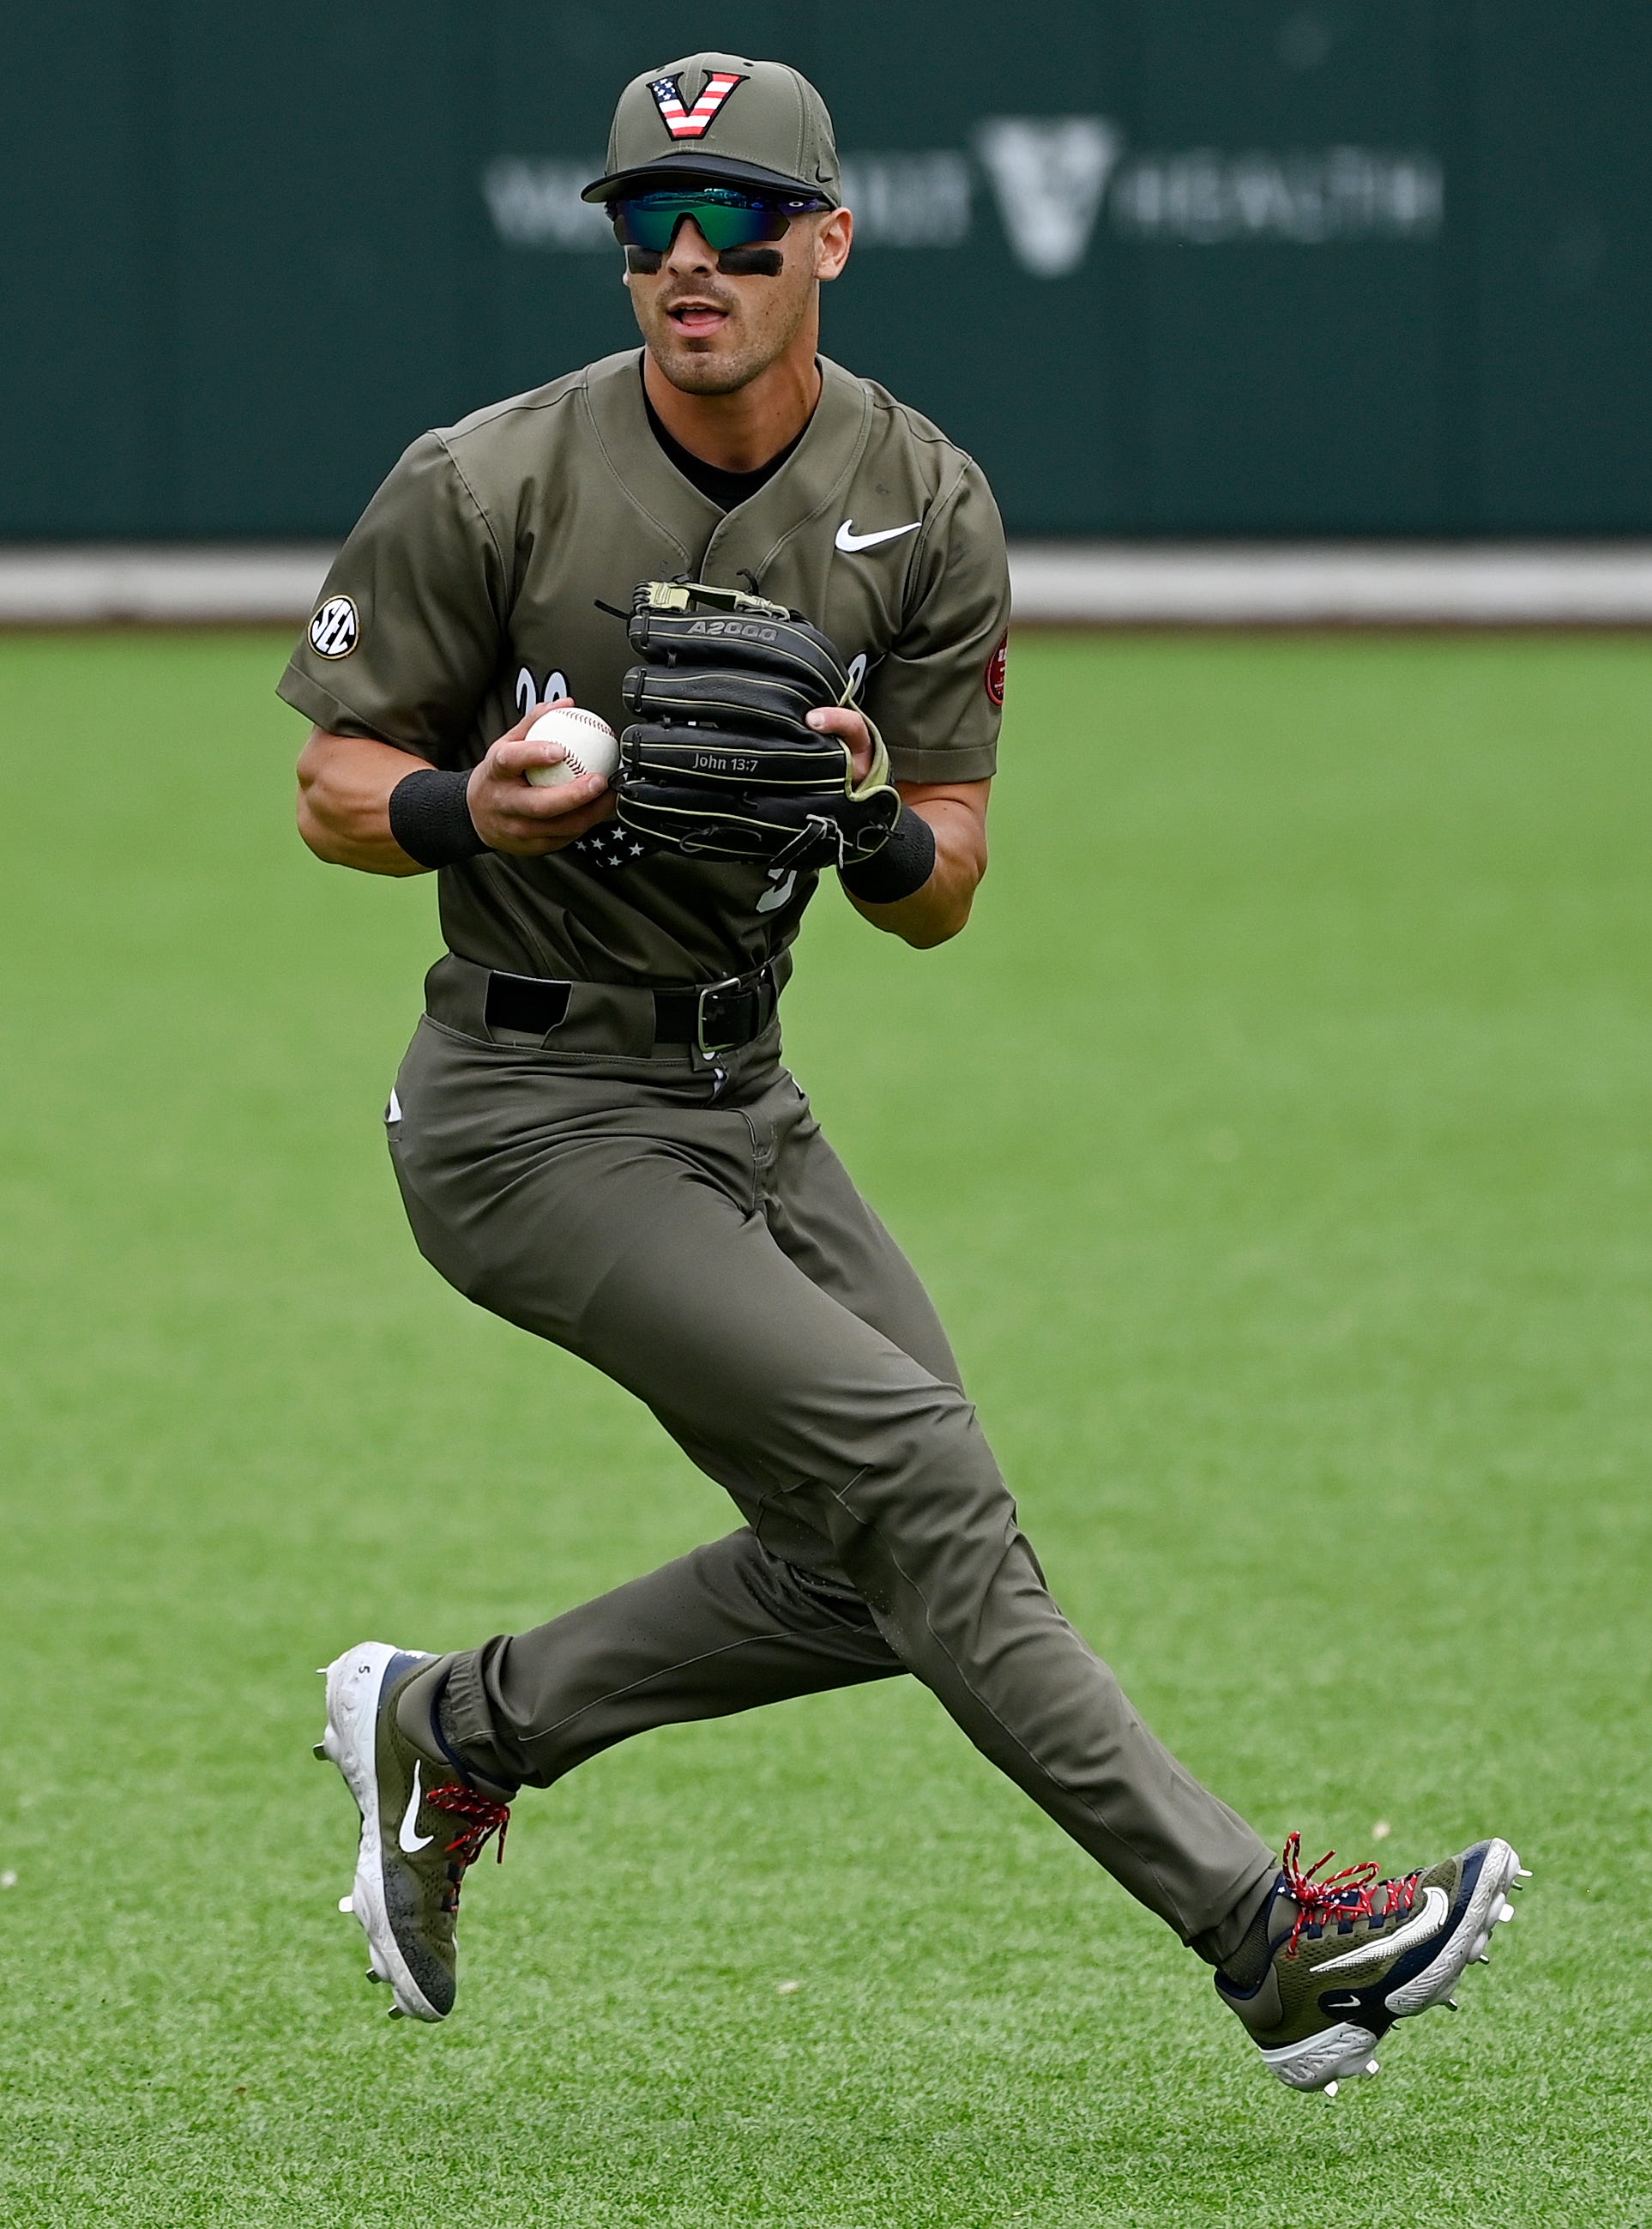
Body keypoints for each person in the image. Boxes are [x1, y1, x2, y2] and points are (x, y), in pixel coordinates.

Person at [285, 52, 1523, 2094]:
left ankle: (458, 1727)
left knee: (874, 1578)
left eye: (739, 222)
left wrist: (863, 819)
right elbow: (329, 787)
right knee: (916, 1475)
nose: (689, 259)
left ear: (828, 240)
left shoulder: (924, 500)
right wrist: (464, 811)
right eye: (646, 223)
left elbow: (941, 884)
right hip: (525, 1113)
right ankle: (1266, 1942)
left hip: (742, 1097)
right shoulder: (488, 478)